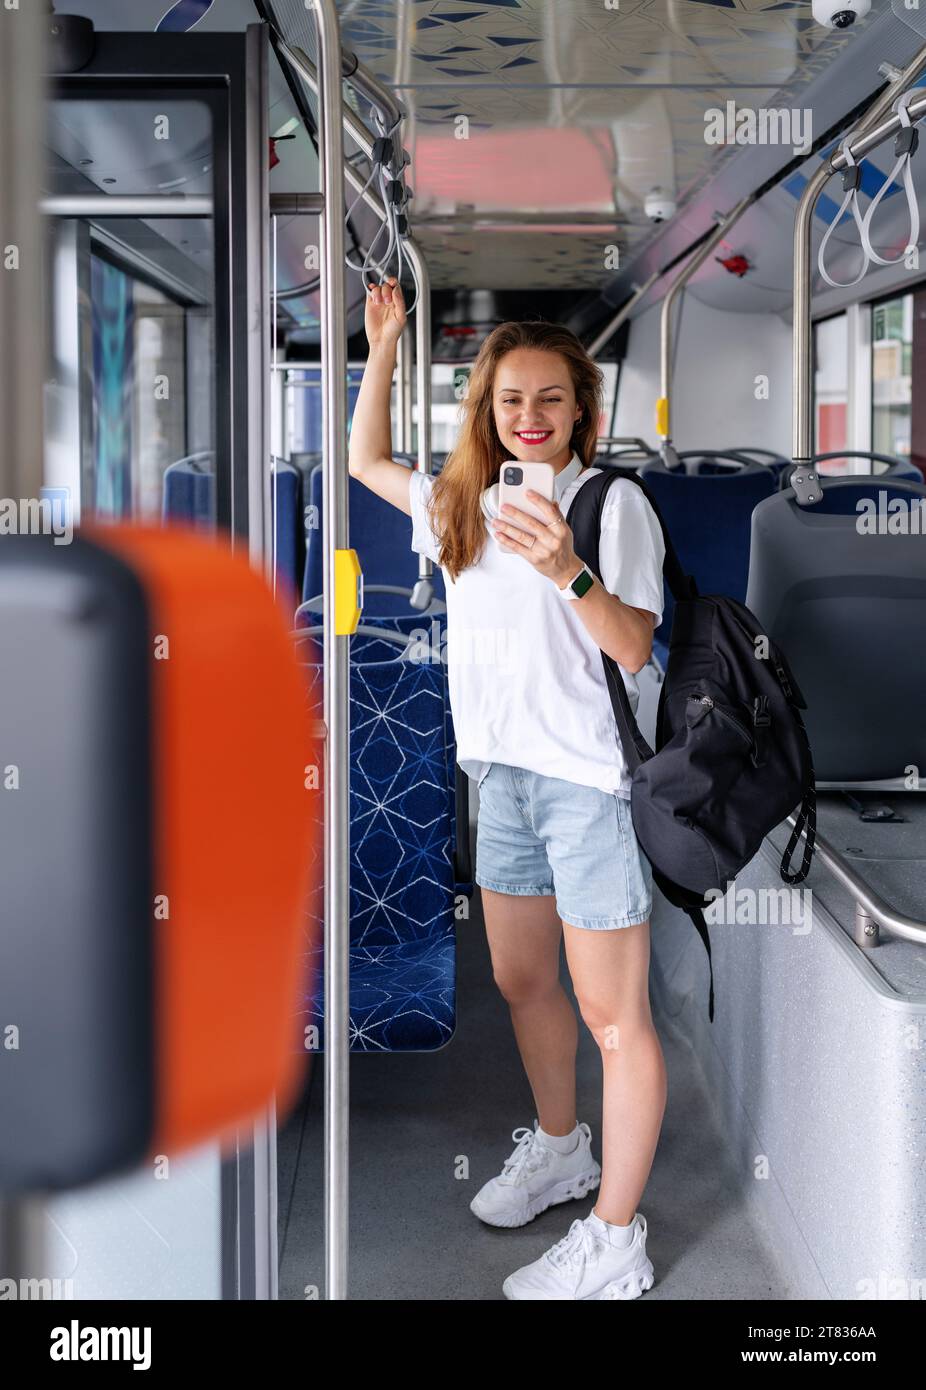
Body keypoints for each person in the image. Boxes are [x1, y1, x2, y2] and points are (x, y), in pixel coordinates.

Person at [349, 275, 667, 1301]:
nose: (527, 418)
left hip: (587, 788)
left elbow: (631, 648)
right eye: (508, 401)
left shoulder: (610, 506)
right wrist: (385, 349)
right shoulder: (462, 507)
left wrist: (571, 571)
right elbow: (362, 461)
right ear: (484, 411)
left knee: (613, 1016)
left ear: (581, 409)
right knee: (524, 982)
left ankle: (616, 1239)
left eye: (549, 399)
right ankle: (564, 1149)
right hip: (499, 780)